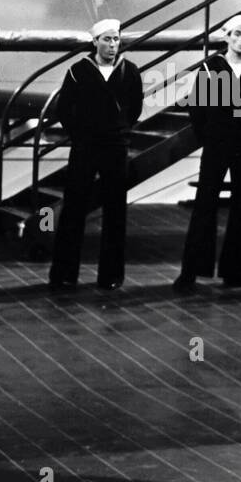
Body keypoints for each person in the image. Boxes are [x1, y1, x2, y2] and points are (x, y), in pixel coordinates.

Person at [174, 14, 241, 294]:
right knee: (205, 205)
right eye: (237, 34)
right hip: (216, 145)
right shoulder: (209, 69)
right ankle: (191, 273)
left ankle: (235, 274)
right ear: (226, 36)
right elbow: (197, 111)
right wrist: (213, 136)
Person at [48, 18, 144, 291]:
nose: (113, 45)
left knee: (115, 210)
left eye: (116, 40)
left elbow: (134, 108)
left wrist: (121, 131)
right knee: (74, 207)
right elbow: (64, 109)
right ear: (95, 42)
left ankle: (111, 275)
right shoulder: (79, 71)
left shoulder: (130, 71)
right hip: (86, 146)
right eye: (107, 39)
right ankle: (64, 273)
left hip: (115, 146)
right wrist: (81, 135)